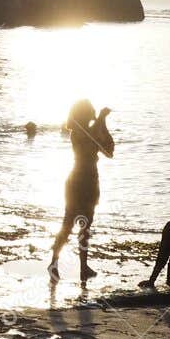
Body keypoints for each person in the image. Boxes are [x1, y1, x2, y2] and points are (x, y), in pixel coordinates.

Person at [49, 100, 114, 282]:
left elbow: (109, 150)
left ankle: (83, 267)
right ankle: (54, 262)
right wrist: (100, 119)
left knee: (85, 226)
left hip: (90, 181)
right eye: (90, 111)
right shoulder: (77, 132)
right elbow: (91, 139)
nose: (93, 112)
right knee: (68, 224)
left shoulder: (91, 129)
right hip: (78, 182)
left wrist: (103, 122)